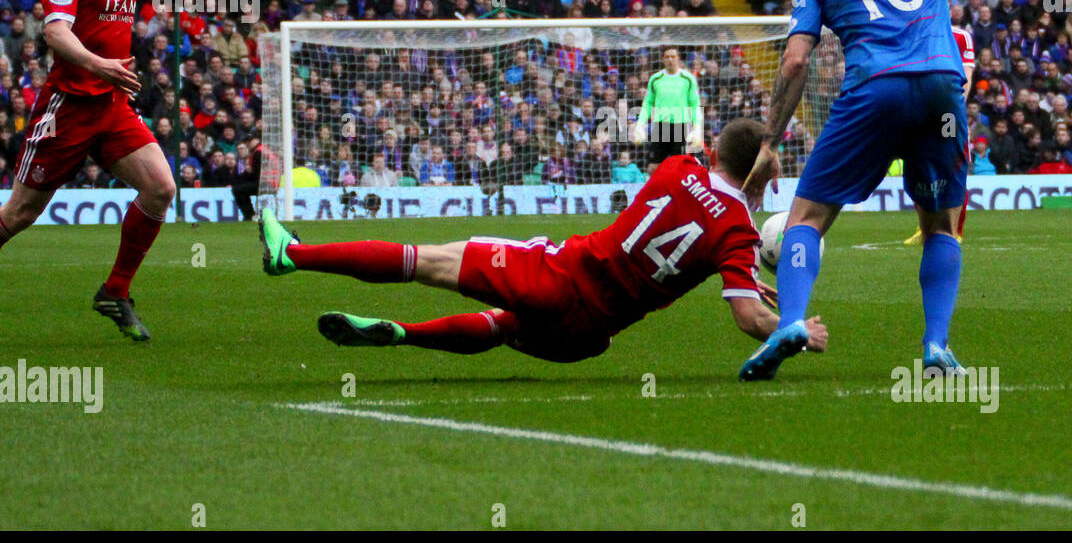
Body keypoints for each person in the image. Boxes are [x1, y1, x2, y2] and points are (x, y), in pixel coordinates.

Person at [738, 0, 1072, 381]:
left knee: (806, 221)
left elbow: (797, 59)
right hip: (941, 86)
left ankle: (792, 322)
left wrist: (771, 141)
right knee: (940, 227)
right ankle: (936, 346)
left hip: (873, 89)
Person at [258, 119, 827, 365]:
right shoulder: (739, 237)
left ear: (715, 152)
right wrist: (795, 329)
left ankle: (293, 255)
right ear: (767, 178)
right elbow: (750, 319)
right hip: (588, 336)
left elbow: (715, 173)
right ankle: (403, 337)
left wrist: (748, 173)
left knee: (426, 261)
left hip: (559, 274)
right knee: (504, 324)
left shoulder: (678, 167)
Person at [0, 0, 178, 341]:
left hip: (113, 106)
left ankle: (114, 292)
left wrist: (116, 68)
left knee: (161, 188)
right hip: (69, 107)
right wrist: (103, 66)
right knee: (18, 215)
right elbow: (56, 33)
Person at [904, 21, 976, 245]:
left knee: (952, 167)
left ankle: (957, 229)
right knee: (919, 167)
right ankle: (923, 226)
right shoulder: (912, 32)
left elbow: (967, 77)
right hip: (919, 109)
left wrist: (952, 106)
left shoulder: (961, 36)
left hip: (949, 114)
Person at [632, 47, 702, 173]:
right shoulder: (655, 79)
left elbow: (695, 104)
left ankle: (677, 192)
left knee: (680, 167)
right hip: (660, 126)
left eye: (673, 56)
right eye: (667, 57)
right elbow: (647, 103)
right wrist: (640, 124)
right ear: (663, 59)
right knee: (653, 167)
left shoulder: (688, 79)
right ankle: (658, 191)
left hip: (680, 126)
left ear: (678, 59)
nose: (670, 59)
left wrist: (697, 126)